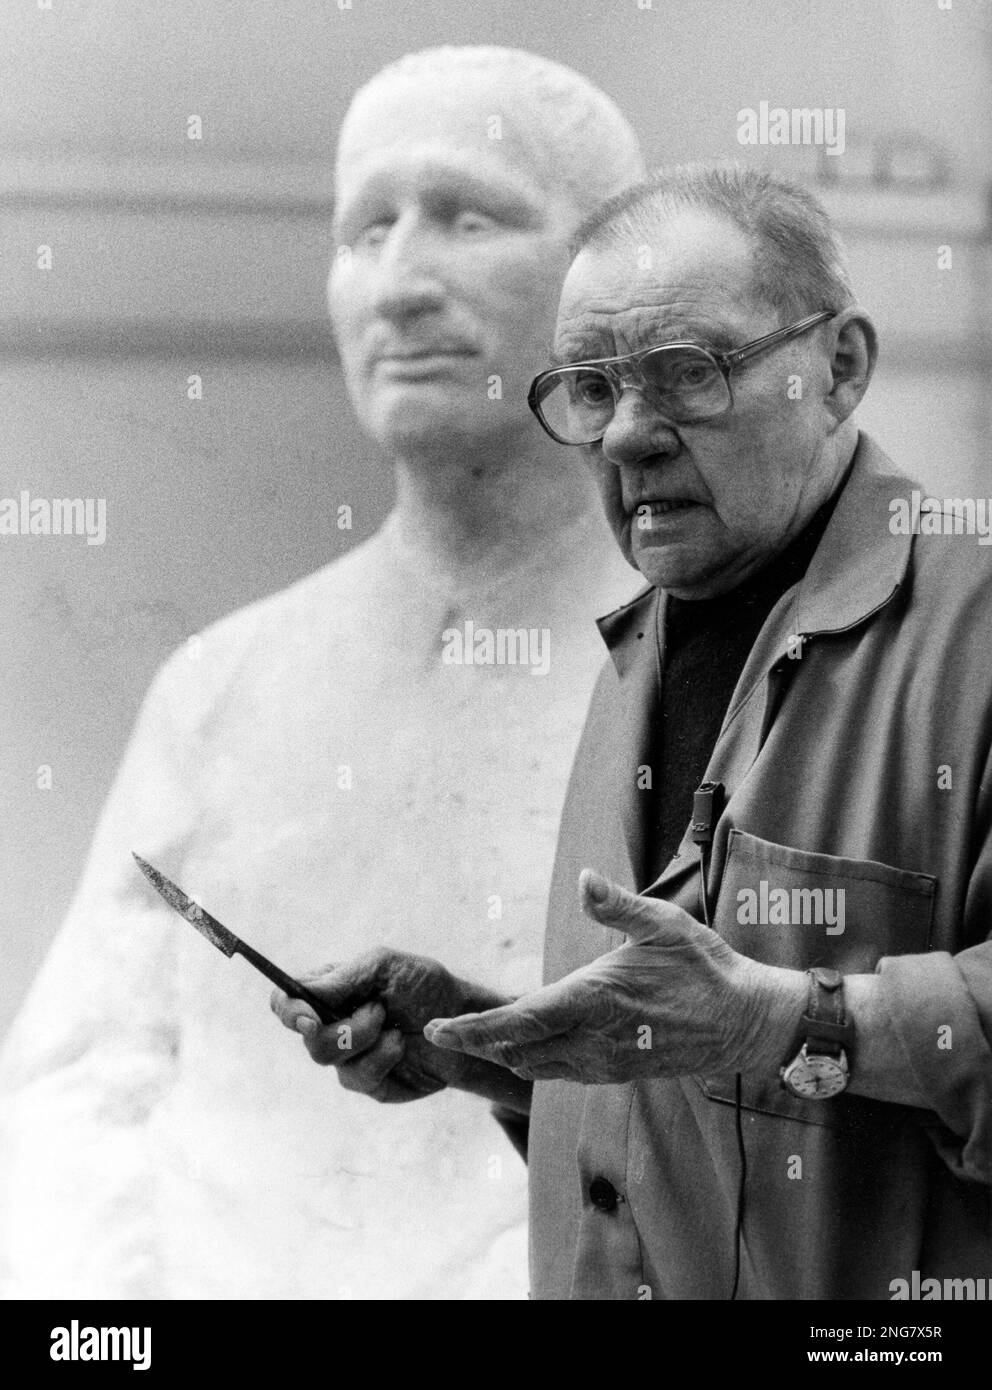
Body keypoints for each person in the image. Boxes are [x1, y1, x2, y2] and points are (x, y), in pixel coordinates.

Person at [274, 164, 992, 1300]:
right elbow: (697, 1096)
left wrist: (778, 1018)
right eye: (591, 387)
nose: (625, 436)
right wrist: (495, 1048)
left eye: (682, 374)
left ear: (840, 365)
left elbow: (750, 1037)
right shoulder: (641, 647)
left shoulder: (973, 626)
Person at [0, 47, 644, 1300]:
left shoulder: (706, 667)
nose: (399, 283)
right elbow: (77, 1088)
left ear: (600, 281)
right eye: (365, 228)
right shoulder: (222, 681)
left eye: (468, 215)